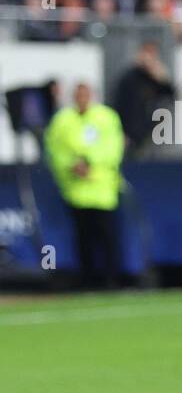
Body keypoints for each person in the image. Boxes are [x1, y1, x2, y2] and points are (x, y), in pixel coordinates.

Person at [45, 83, 126, 289]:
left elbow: (113, 147)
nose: (82, 98)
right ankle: (87, 280)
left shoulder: (106, 117)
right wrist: (72, 165)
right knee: (83, 237)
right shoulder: (62, 120)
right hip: (76, 190)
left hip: (102, 189)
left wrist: (89, 160)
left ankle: (112, 279)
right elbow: (54, 149)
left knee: (107, 236)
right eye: (78, 94)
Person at [112, 42, 177, 157]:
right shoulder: (129, 77)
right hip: (130, 135)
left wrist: (161, 77)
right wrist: (122, 132)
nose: (149, 58)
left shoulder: (155, 79)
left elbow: (171, 95)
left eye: (152, 54)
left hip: (152, 134)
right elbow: (119, 106)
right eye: (147, 53)